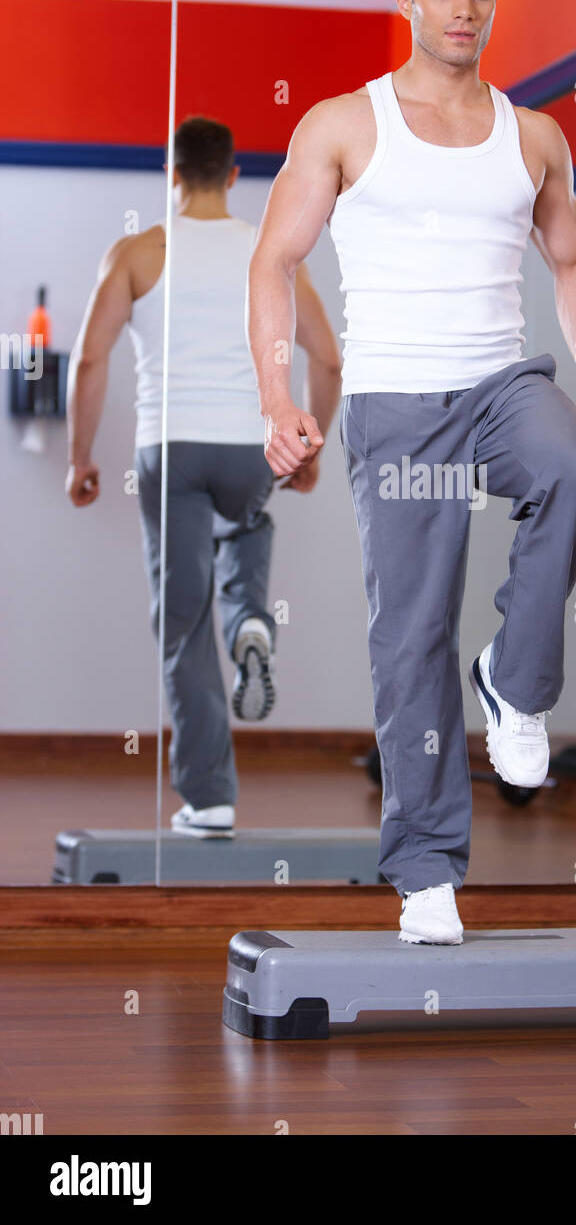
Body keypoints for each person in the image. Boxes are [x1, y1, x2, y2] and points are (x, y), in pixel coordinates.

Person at [247, 0, 576, 938]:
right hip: (397, 405)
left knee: (575, 472)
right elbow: (272, 262)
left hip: (503, 383)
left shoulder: (531, 134)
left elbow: (574, 262)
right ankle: (423, 872)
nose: (463, 11)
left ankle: (512, 678)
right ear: (404, 0)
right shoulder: (342, 124)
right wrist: (279, 401)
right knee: (411, 633)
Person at [65, 116, 340, 838]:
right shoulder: (268, 250)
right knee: (247, 520)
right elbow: (329, 358)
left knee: (181, 622)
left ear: (173, 174)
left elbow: (89, 362)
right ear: (235, 174)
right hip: (250, 445)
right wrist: (309, 447)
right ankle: (250, 612)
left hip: (171, 448)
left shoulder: (136, 251)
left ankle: (211, 796)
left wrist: (80, 457)